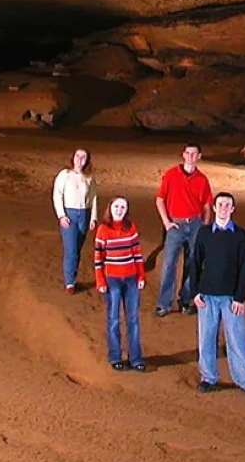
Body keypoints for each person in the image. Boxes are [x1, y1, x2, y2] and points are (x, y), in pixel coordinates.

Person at [184, 192, 245, 397]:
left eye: (227, 205)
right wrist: (194, 292)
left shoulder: (240, 235)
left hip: (231, 298)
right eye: (220, 204)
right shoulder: (204, 233)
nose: (223, 208)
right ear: (214, 208)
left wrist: (240, 297)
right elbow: (194, 263)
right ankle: (208, 378)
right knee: (206, 338)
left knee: (237, 339)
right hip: (207, 296)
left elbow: (244, 267)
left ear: (233, 209)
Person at [89, 196, 149, 372]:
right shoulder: (103, 230)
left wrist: (141, 276)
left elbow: (137, 254)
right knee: (114, 319)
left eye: (123, 206)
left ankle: (136, 358)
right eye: (117, 206)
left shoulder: (131, 228)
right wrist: (100, 280)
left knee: (133, 320)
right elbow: (98, 257)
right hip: (112, 280)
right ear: (110, 208)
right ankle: (115, 356)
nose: (120, 209)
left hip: (130, 279)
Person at [153, 144, 214, 317]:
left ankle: (186, 300)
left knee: (193, 263)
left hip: (195, 224)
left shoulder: (202, 179)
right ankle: (164, 303)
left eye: (194, 154)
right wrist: (166, 222)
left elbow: (207, 205)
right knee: (169, 264)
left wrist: (205, 226)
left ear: (199, 156)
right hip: (175, 224)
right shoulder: (171, 175)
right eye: (187, 153)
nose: (190, 156)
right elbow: (160, 200)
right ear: (183, 155)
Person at [51, 148, 95, 292]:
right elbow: (57, 194)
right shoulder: (65, 175)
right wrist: (61, 215)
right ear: (73, 157)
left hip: (84, 214)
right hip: (69, 214)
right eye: (77, 155)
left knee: (78, 248)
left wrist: (93, 218)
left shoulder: (89, 178)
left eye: (83, 157)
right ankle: (70, 282)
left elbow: (94, 199)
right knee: (71, 249)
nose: (80, 159)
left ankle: (73, 276)